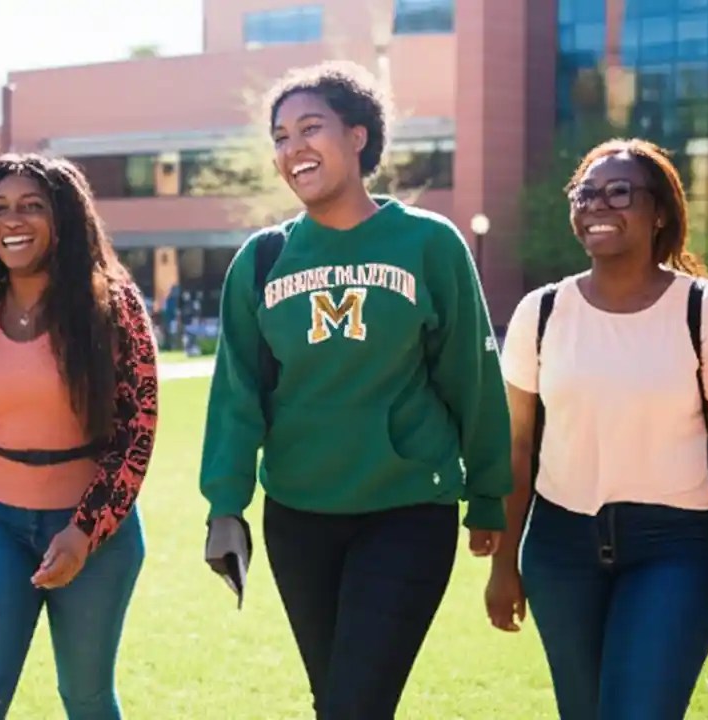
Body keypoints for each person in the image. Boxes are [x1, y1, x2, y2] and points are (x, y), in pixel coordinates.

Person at [198, 60, 513, 718]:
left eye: (310, 129)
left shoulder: (429, 243)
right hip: (298, 516)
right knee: (337, 701)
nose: (293, 150)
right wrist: (225, 505)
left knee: (354, 706)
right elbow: (236, 394)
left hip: (407, 510)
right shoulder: (260, 260)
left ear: (359, 135)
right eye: (280, 137)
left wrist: (488, 495)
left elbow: (472, 377)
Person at [486, 138, 708, 719]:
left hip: (676, 548)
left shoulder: (704, 310)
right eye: (585, 193)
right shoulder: (539, 314)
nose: (598, 205)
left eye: (619, 192)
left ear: (659, 211)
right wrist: (503, 564)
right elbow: (517, 448)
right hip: (560, 549)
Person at [0, 153, 159, 719]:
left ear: (64, 219)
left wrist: (82, 533)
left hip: (94, 535)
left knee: (86, 699)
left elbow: (138, 430)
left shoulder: (113, 304)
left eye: (32, 206)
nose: (13, 220)